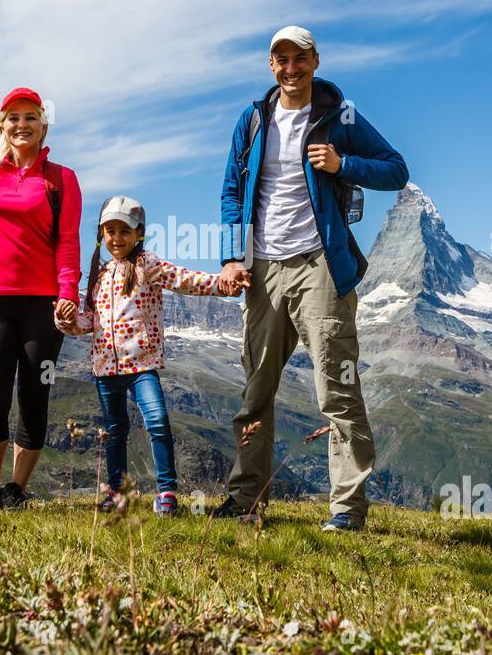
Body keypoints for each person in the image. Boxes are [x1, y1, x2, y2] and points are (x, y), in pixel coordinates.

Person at [212, 26, 409, 531]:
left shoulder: (339, 115)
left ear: (315, 60)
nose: (290, 68)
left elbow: (395, 170)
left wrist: (344, 164)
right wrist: (233, 257)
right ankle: (245, 497)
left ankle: (346, 508)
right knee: (255, 389)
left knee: (336, 389)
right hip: (263, 270)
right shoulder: (254, 119)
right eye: (281, 60)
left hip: (321, 263)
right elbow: (232, 190)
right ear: (271, 65)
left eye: (299, 59)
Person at [0, 87, 82, 509]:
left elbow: (68, 242)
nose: (21, 125)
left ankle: (16, 490)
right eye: (13, 118)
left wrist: (68, 293)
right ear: (2, 126)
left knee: (34, 397)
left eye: (30, 117)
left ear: (43, 125)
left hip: (43, 305)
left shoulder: (61, 179)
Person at [56, 196, 234, 516]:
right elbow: (88, 321)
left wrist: (220, 284)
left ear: (139, 233)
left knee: (157, 420)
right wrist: (66, 320)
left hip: (142, 364)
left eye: (124, 231)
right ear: (101, 234)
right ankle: (117, 493)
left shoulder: (147, 265)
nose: (116, 238)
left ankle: (166, 492)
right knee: (115, 432)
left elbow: (182, 279)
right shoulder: (98, 274)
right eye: (110, 231)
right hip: (105, 367)